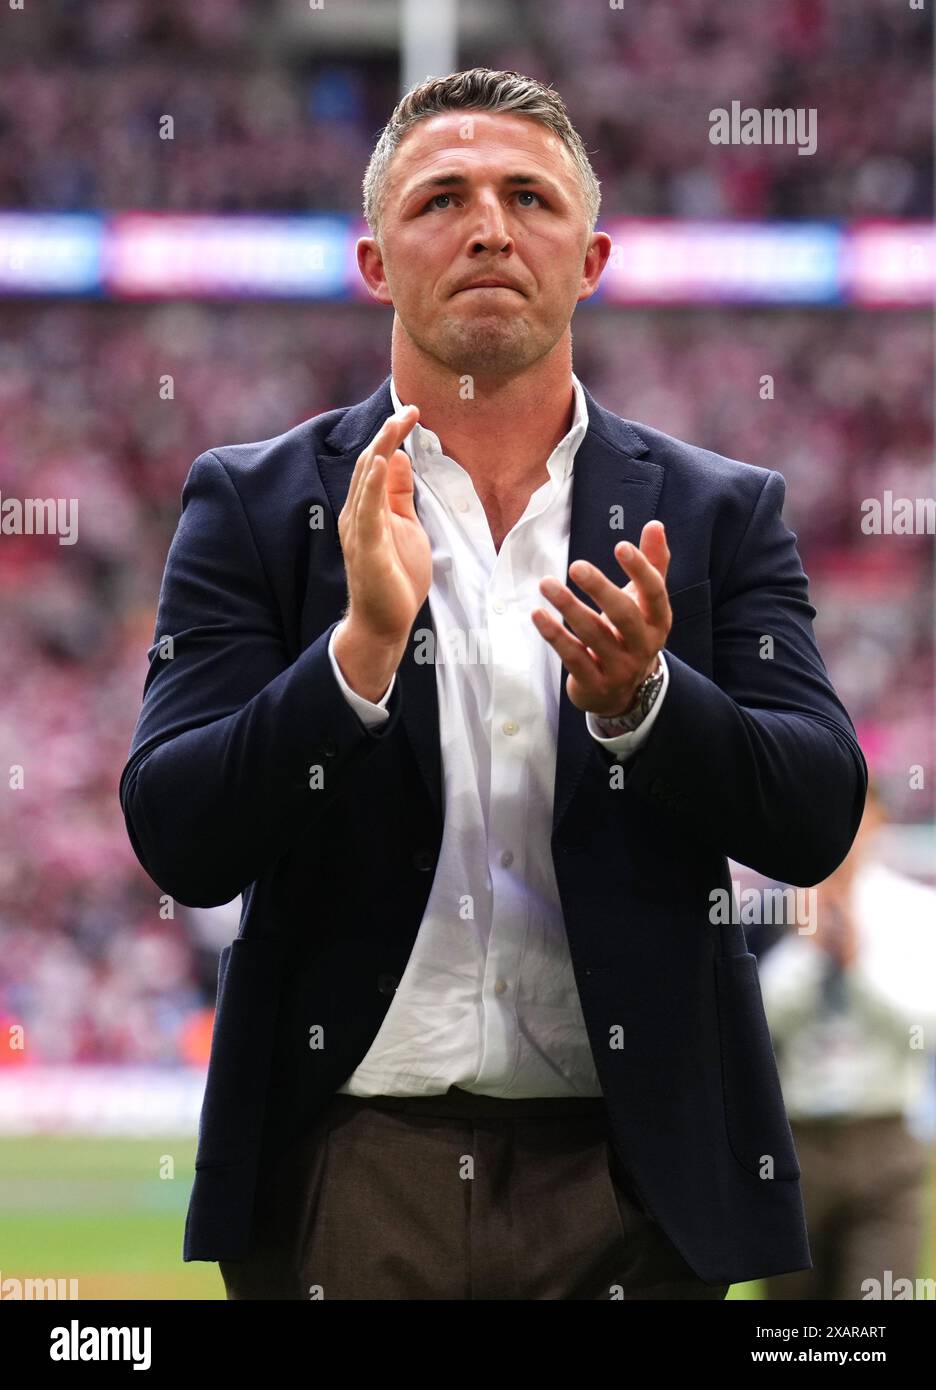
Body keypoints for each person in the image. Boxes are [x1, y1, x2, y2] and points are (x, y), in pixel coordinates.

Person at [118, 67, 867, 1300]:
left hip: (636, 1179)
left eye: (529, 197)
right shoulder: (255, 502)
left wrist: (648, 703)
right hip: (346, 1166)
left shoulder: (721, 512)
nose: (488, 227)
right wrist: (356, 656)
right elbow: (179, 833)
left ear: (593, 258)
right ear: (374, 262)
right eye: (442, 200)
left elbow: (817, 811)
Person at [758, 781, 936, 1300]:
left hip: (885, 1140)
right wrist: (807, 954)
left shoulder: (917, 909)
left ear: (878, 821)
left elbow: (926, 1026)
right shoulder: (775, 908)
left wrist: (856, 968)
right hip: (797, 1146)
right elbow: (756, 1025)